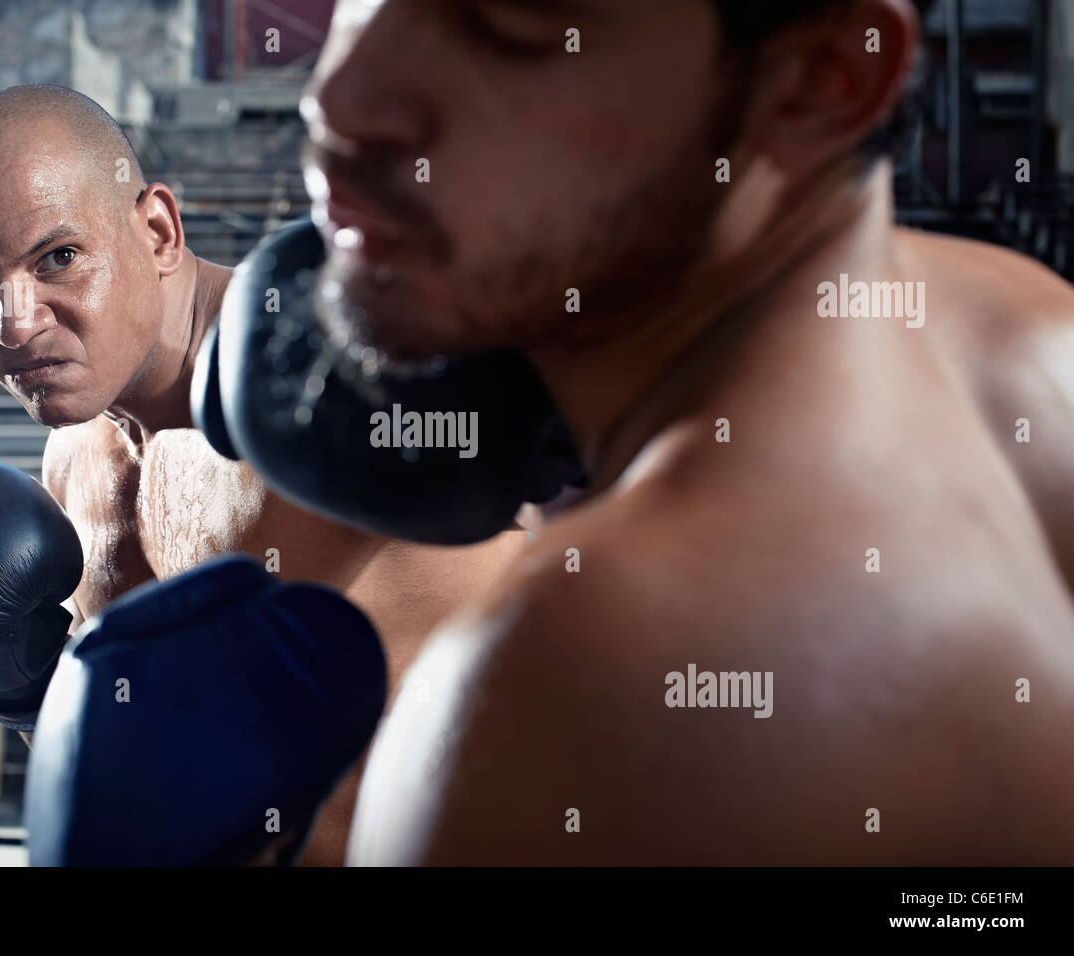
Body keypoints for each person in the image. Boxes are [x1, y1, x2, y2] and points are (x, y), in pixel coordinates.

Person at [259, 0, 1074, 863]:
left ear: (819, 83)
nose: (340, 97)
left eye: (506, 26)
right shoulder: (1034, 332)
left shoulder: (577, 688)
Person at [0, 84, 524, 866]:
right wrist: (23, 693)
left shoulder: (325, 385)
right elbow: (130, 794)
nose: (13, 323)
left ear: (159, 231)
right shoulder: (71, 463)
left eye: (58, 258)